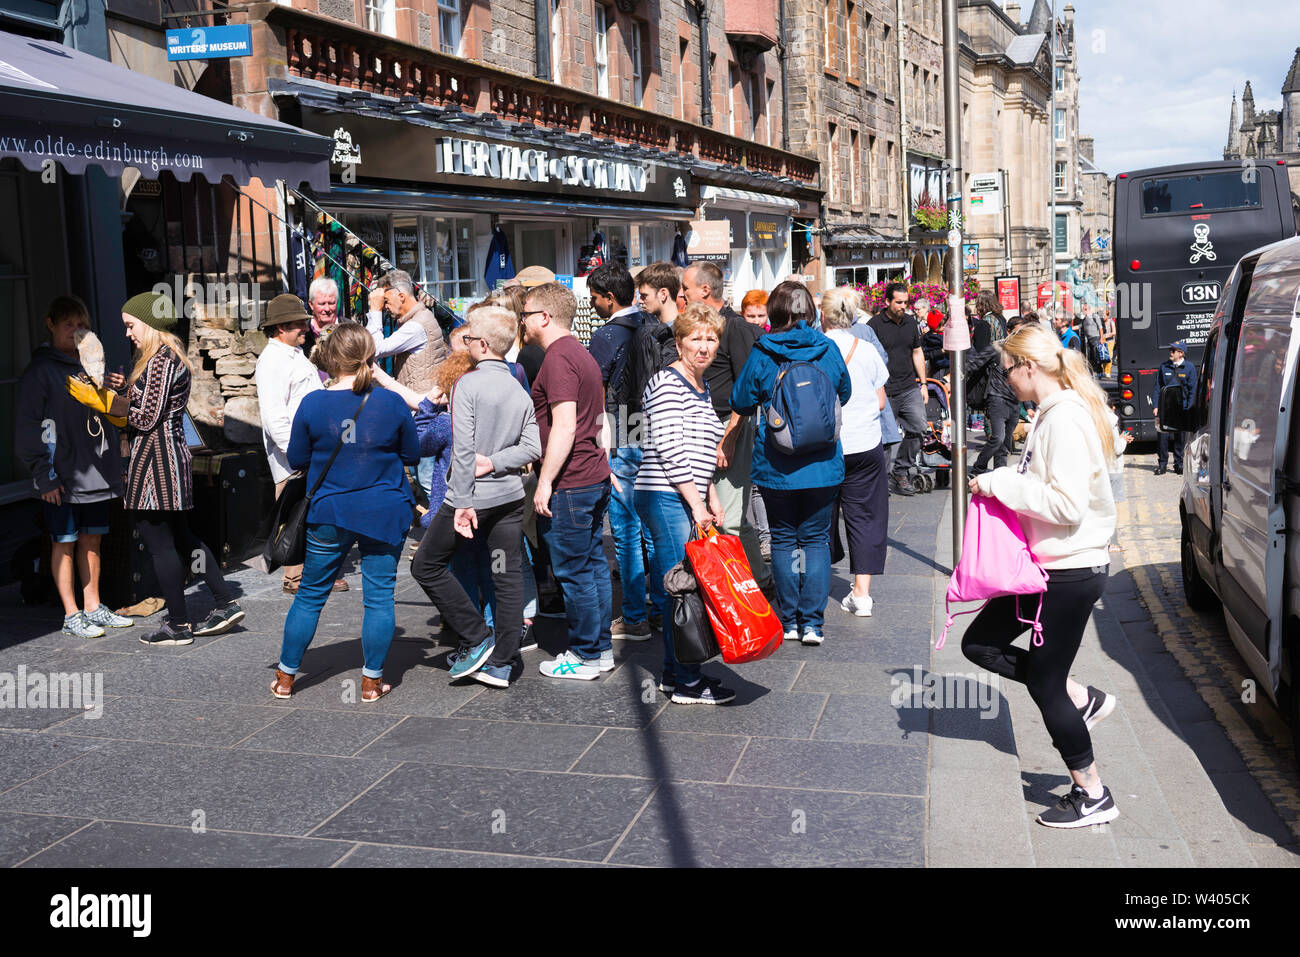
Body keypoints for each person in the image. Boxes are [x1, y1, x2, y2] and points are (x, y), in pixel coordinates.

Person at [963, 323, 1121, 828]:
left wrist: (1000, 484)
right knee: (981, 643)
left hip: (1069, 572)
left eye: (1008, 369)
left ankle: (1092, 792)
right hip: (1046, 567)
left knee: (1045, 687)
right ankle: (1083, 697)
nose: (1005, 379)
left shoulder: (1065, 420)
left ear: (1029, 367)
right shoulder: (1054, 414)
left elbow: (1067, 505)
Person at [270, 323, 420, 702]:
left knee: (309, 595)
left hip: (331, 510)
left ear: (331, 358)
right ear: (369, 356)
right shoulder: (389, 401)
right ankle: (371, 683)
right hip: (385, 509)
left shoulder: (313, 403)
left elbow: (299, 458)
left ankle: (286, 678)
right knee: (379, 596)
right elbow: (412, 455)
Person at [410, 308, 540, 688]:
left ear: (482, 345)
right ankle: (501, 662)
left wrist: (464, 500)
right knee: (506, 575)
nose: (464, 345)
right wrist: (498, 462)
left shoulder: (467, 385)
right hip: (509, 497)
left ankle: (476, 637)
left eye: (468, 340)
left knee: (426, 565)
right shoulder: (517, 386)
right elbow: (532, 446)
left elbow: (463, 449)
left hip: (468, 498)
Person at [104, 293, 244, 645]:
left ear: (150, 325)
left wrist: (107, 404)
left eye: (131, 326)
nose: (127, 334)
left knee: (158, 542)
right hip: (167, 458)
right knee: (182, 537)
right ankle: (225, 601)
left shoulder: (160, 362)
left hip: (156, 461)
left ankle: (179, 625)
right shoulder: (164, 360)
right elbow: (153, 404)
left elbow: (147, 418)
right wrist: (126, 392)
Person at [731, 281, 852, 646]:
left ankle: (791, 621)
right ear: (810, 313)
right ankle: (813, 623)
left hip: (776, 463)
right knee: (816, 540)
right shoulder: (826, 348)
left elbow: (740, 399)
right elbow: (843, 393)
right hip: (823, 462)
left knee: (783, 540)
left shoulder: (763, 351)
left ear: (774, 312)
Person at [15, 295, 131, 638]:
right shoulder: (39, 372)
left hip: (95, 470)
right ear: (51, 324)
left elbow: (114, 416)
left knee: (92, 541)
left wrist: (113, 392)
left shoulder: (90, 364)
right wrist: (43, 475)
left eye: (82, 325)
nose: (77, 332)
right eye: (69, 325)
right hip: (59, 476)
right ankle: (71, 613)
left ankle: (94, 606)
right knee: (62, 542)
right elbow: (26, 427)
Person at [636, 303, 735, 704]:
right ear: (679, 343)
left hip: (687, 494)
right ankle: (688, 682)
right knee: (682, 588)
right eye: (695, 338)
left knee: (686, 585)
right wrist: (696, 503)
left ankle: (675, 675)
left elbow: (703, 448)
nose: (704, 346)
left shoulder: (701, 384)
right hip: (665, 494)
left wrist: (710, 496)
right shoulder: (666, 383)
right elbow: (670, 448)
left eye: (711, 339)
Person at [524, 281, 615, 680]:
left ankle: (584, 656)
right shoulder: (580, 353)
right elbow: (600, 418)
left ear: (545, 317)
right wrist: (604, 461)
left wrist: (545, 482)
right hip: (590, 475)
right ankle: (601, 650)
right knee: (592, 564)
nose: (522, 320)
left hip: (572, 482)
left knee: (575, 572)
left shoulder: (559, 358)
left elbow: (564, 426)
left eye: (526, 313)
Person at [681, 261, 771, 591]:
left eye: (686, 289)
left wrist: (730, 436)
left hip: (728, 427)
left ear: (705, 290)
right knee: (724, 517)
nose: (682, 294)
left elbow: (746, 389)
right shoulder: (706, 326)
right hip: (706, 428)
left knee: (730, 518)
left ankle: (745, 589)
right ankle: (757, 580)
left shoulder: (735, 328)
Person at [254, 294, 348, 595]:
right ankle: (296, 577)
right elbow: (274, 417)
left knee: (310, 515)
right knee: (295, 516)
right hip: (294, 455)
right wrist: (295, 456)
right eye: (299, 324)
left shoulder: (291, 354)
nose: (306, 328)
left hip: (307, 449)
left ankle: (314, 573)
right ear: (281, 327)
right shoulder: (271, 361)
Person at [586, 263, 657, 643]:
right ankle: (662, 606)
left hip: (623, 429)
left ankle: (633, 616)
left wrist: (599, 443)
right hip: (654, 428)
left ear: (609, 298)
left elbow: (595, 393)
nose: (593, 304)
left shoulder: (607, 335)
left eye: (594, 298)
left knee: (626, 528)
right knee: (653, 526)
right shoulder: (653, 324)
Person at [821, 292, 889, 617]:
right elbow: (880, 401)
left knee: (819, 516)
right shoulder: (866, 350)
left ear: (823, 315)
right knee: (866, 517)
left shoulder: (816, 349)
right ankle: (861, 595)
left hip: (825, 446)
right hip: (865, 445)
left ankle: (815, 588)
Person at [370, 270, 448, 500]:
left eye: (386, 300)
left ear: (400, 295)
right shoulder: (418, 319)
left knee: (427, 479)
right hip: (424, 410)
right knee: (423, 475)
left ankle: (446, 531)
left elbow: (375, 349)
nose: (384, 306)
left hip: (426, 413)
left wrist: (373, 312)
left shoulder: (417, 326)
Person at [870, 282, 928, 496]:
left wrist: (923, 384)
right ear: (887, 302)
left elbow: (917, 352)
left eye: (906, 302)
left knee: (920, 427)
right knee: (884, 438)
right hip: (883, 389)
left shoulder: (911, 323)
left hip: (908, 386)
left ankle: (901, 470)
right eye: (899, 302)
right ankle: (882, 480)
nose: (904, 306)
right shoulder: (874, 325)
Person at [965, 318, 1020, 475]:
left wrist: (1029, 406)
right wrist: (953, 379)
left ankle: (999, 473)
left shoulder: (1023, 352)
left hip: (1014, 400)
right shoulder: (996, 347)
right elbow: (974, 364)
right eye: (1018, 331)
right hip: (996, 398)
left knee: (1005, 444)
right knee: (998, 438)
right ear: (1009, 331)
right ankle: (978, 468)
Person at [1153, 340, 1197, 476]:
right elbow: (1157, 388)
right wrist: (1156, 406)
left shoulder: (1189, 368)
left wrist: (1189, 408)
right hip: (1165, 409)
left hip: (1181, 408)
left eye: (1173, 351)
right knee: (1163, 438)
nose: (1170, 353)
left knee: (1180, 438)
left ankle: (1178, 464)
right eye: (1170, 350)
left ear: (1181, 353)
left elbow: (1192, 390)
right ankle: (1162, 464)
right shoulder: (1164, 367)